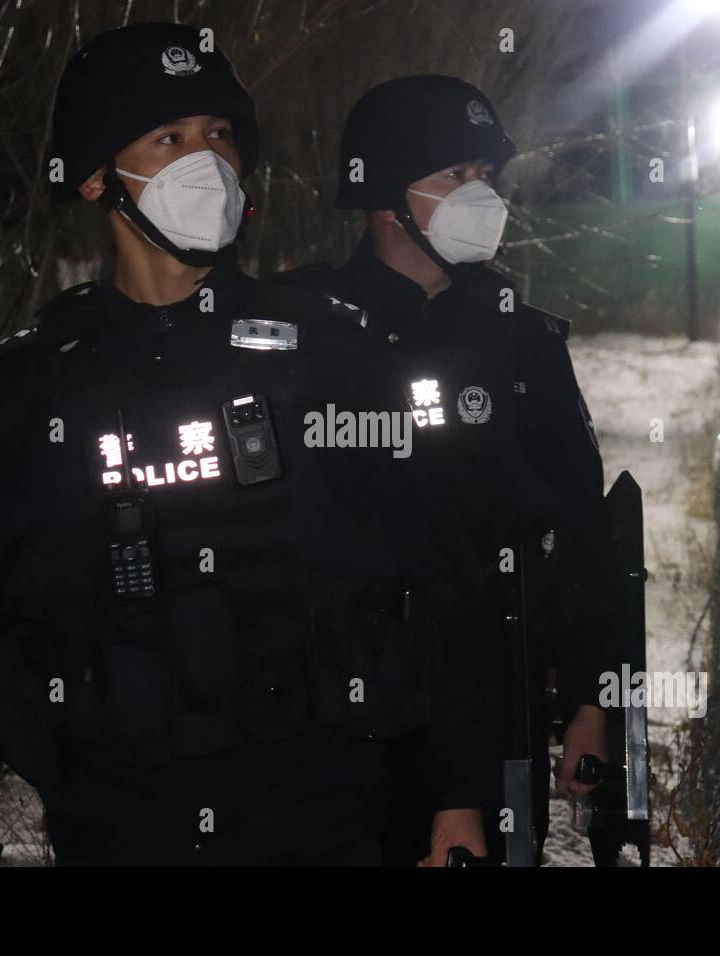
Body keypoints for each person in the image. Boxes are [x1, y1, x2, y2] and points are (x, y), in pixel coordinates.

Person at [0, 26, 497, 867]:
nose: (203, 161)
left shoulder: (329, 349)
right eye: (169, 138)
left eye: (218, 135)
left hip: (333, 816)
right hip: (122, 825)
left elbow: (438, 581)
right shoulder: (38, 384)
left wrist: (458, 791)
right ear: (100, 175)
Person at [276, 75, 617, 865]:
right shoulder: (308, 332)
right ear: (385, 197)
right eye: (453, 176)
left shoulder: (522, 340)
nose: (481, 196)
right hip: (334, 727)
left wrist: (591, 700)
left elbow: (577, 528)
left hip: (494, 708)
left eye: (486, 176)